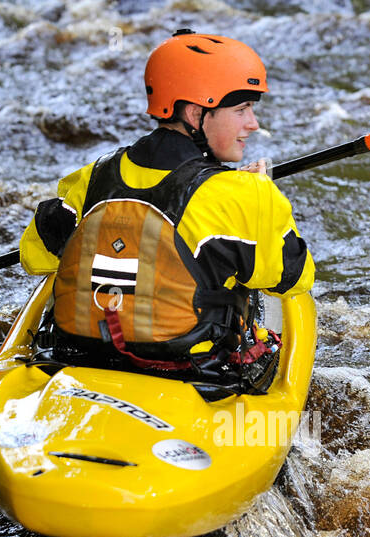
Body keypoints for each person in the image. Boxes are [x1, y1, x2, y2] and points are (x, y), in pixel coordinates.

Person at [19, 30, 314, 394]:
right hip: (193, 377)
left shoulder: (89, 178)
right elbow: (293, 278)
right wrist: (264, 197)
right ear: (195, 113)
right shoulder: (246, 194)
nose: (253, 124)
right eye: (241, 109)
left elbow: (35, 259)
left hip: (76, 361)